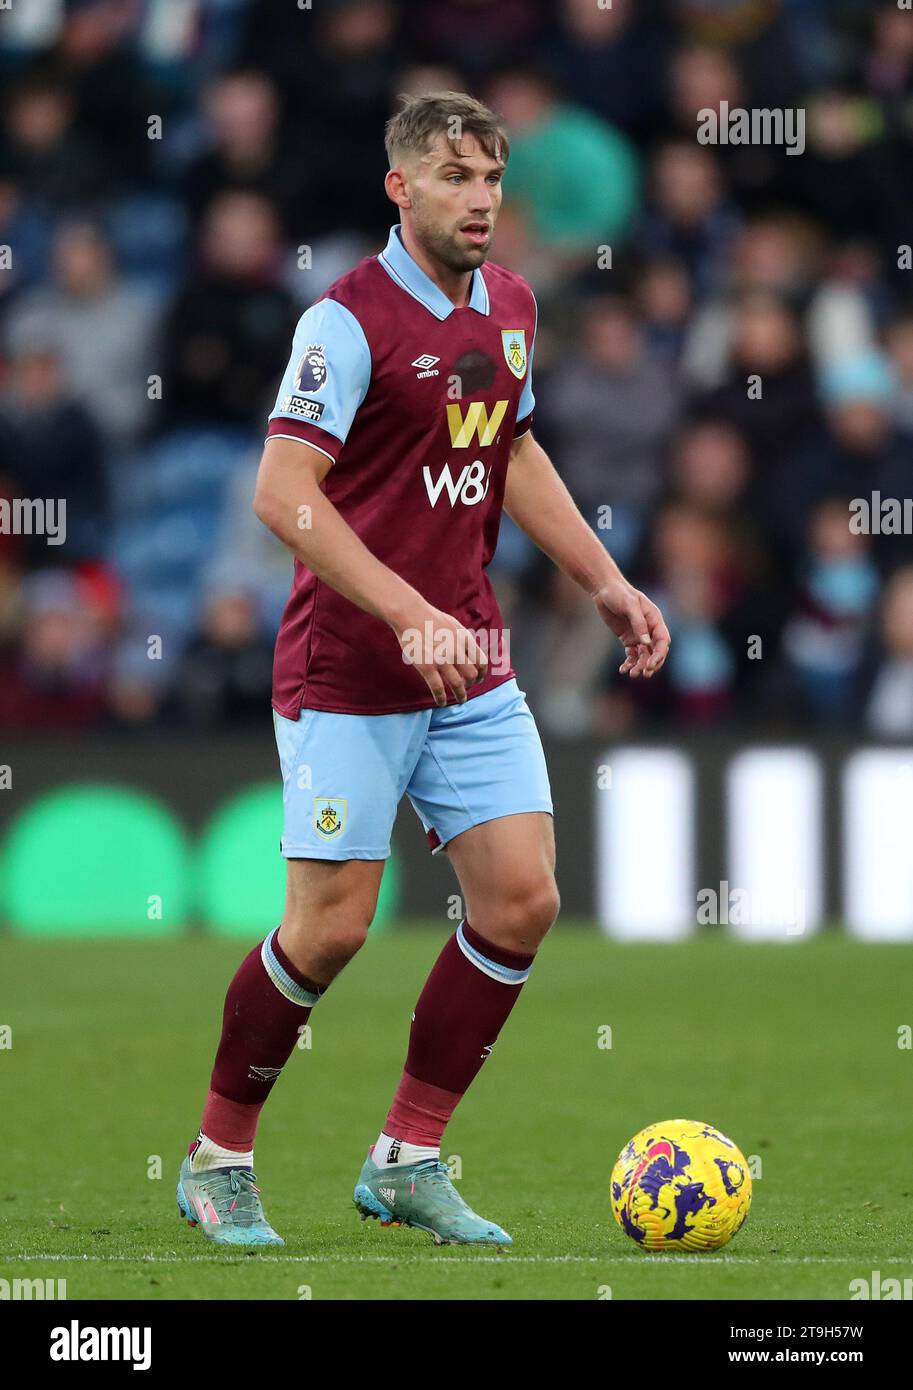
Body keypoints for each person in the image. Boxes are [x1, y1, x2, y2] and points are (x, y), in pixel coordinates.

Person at [176, 92, 670, 1248]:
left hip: (472, 657)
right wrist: (405, 613)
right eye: (455, 177)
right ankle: (216, 1158)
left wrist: (602, 577)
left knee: (522, 898)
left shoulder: (512, 305)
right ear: (401, 189)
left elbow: (511, 445)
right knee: (330, 930)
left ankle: (406, 1156)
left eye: (492, 178)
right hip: (352, 664)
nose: (483, 199)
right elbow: (280, 495)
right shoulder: (342, 324)